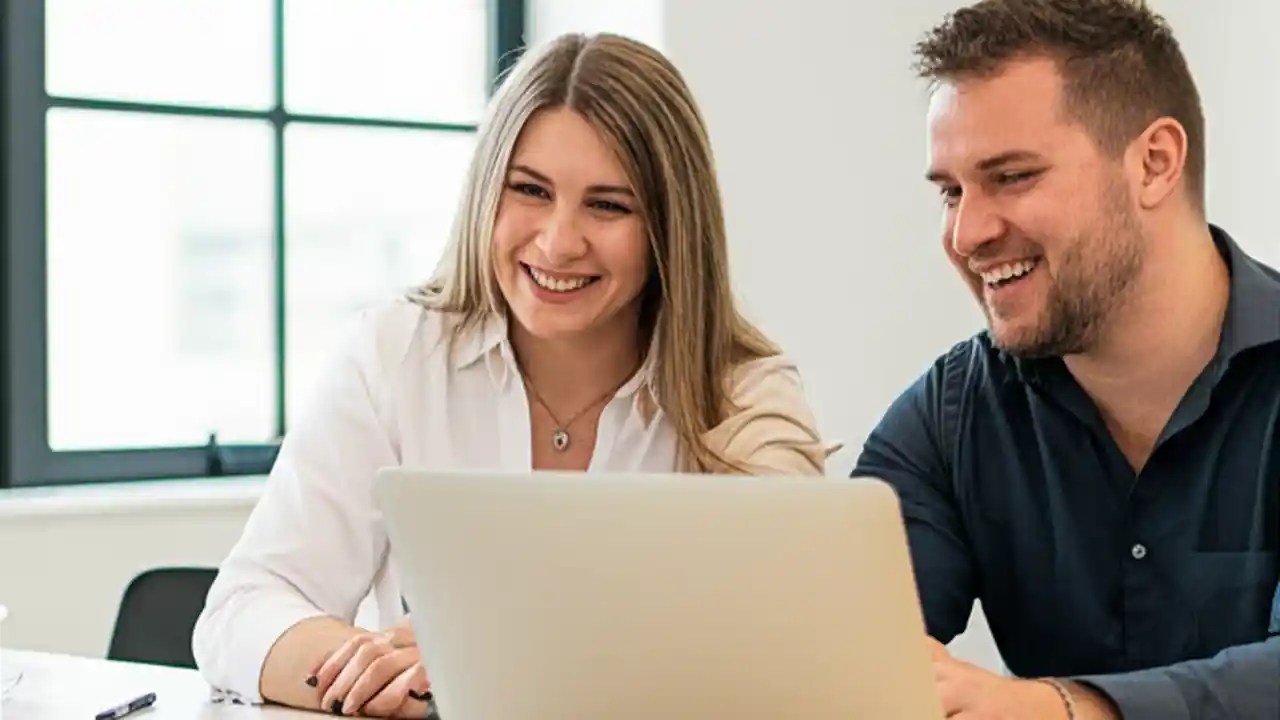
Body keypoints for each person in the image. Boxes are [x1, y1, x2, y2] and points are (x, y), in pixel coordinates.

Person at [193, 32, 829, 717]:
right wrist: (374, 670)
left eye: (608, 205)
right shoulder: (394, 353)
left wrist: (476, 661)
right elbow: (242, 610)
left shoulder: (742, 396)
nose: (558, 241)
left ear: (670, 227)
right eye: (530, 190)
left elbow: (784, 649)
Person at [852, 1, 1279, 718]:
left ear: (1154, 163)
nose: (966, 233)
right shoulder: (949, 417)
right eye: (951, 192)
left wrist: (1068, 710)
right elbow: (839, 648)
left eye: (1012, 176)